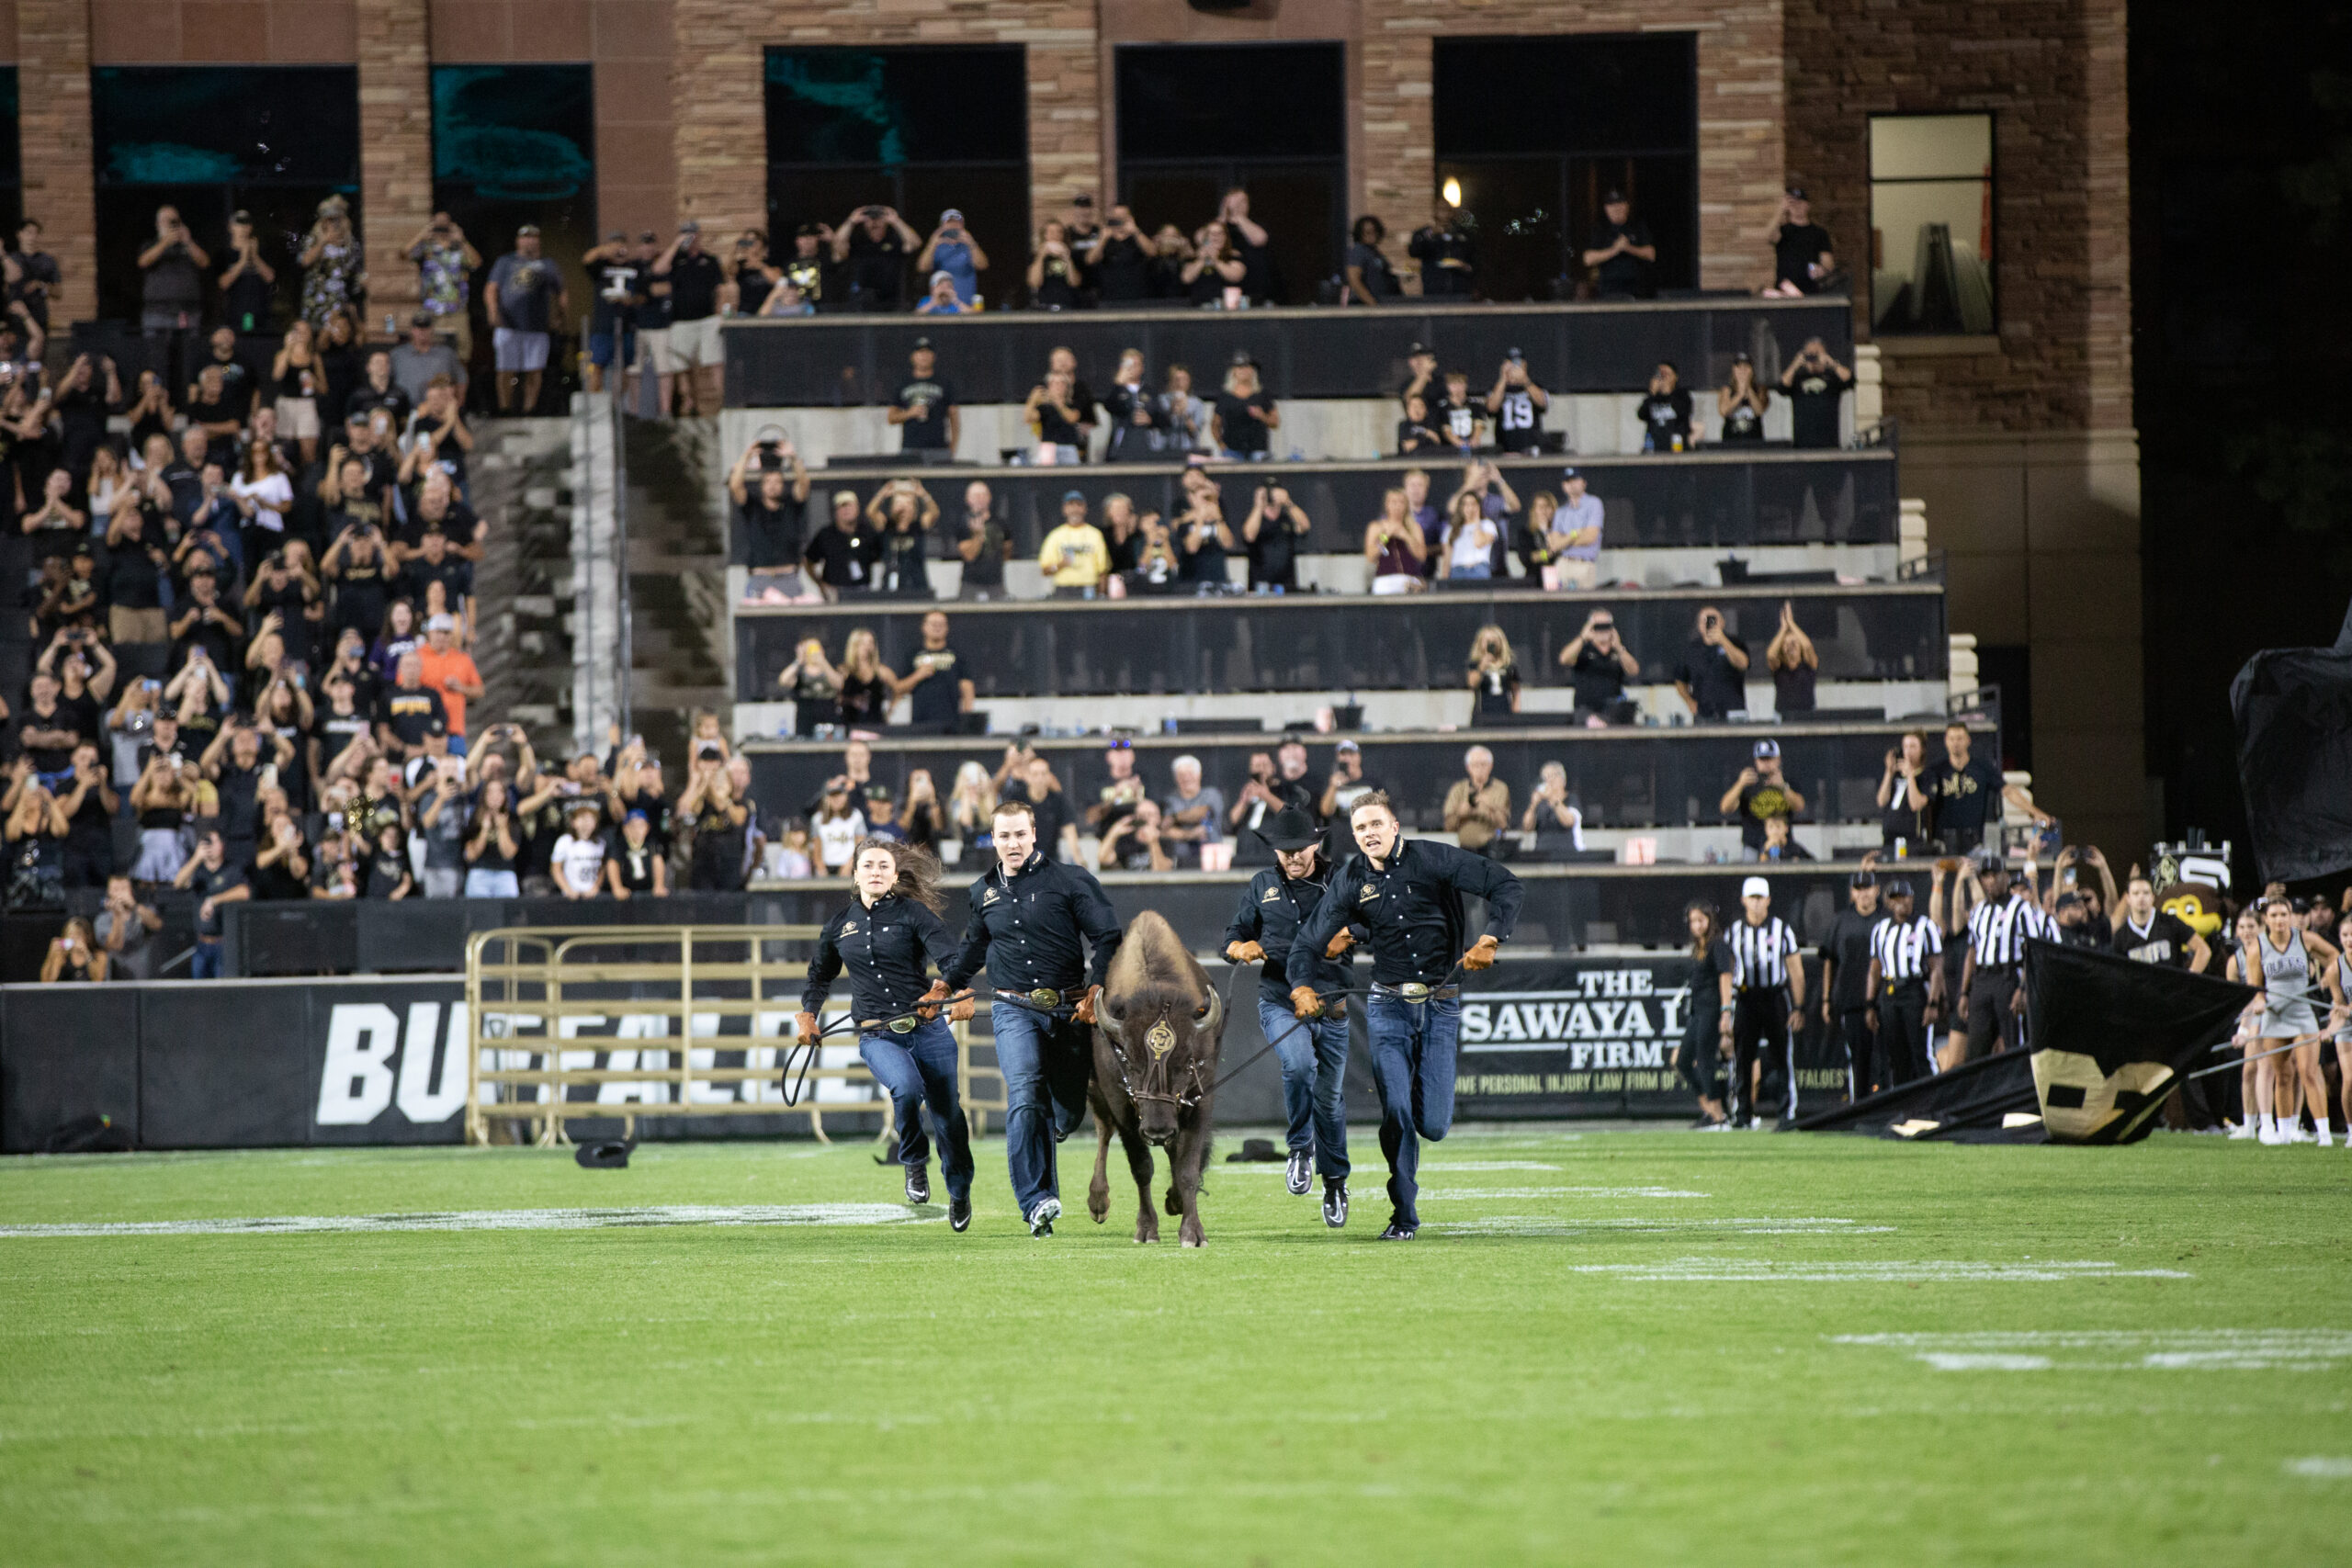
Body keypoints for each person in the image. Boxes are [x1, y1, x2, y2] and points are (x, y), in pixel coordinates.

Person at [1288, 791, 1522, 1240]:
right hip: (1386, 1006)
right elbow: (1308, 942)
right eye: (1360, 828)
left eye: (1376, 824)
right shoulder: (1352, 879)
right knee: (1395, 1109)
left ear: (1395, 827)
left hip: (1440, 1001)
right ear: (1353, 836)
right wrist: (1300, 984)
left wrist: (1492, 937)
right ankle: (1404, 1217)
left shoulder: (1434, 859)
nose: (1368, 834)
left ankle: (1416, 1121)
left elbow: (1507, 884)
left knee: (1432, 1124)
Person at [939, 796, 1124, 1236]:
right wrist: (944, 987)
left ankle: (1055, 1134)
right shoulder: (982, 892)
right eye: (1004, 835)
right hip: (1012, 1007)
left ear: (1035, 834)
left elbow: (1109, 937)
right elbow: (972, 949)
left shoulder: (1071, 880)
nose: (1013, 842)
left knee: (1066, 1112)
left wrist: (1096, 987)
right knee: (1024, 1094)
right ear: (993, 840)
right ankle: (1036, 1201)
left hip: (1068, 1010)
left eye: (1020, 833)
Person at [1224, 807, 1358, 1221]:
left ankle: (1335, 1185)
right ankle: (1300, 1149)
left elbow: (1373, 920)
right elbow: (1232, 936)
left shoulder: (1341, 880)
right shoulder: (1261, 884)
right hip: (1280, 999)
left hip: (1331, 1003)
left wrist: (1351, 933)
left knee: (1330, 1101)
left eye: (1299, 850)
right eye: (1284, 851)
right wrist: (1239, 949)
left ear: (1316, 845)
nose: (1292, 858)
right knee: (1299, 1066)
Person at [2240, 897, 2344, 1145]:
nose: (2279, 920)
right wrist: (2260, 1001)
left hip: (2301, 1012)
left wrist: (2328, 976)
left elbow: (2335, 957)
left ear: (2290, 917)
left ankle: (2324, 1134)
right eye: (2274, 915)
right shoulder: (2258, 948)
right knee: (2282, 1074)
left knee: (2308, 1071)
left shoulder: (2304, 938)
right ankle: (2284, 1132)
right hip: (2275, 1015)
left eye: (2283, 915)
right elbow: (2255, 986)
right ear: (2266, 919)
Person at [1725, 875, 1807, 1127]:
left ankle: (1786, 1114)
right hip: (1746, 997)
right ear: (1743, 900)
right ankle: (1743, 1114)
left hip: (1774, 997)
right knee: (1742, 1057)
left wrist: (1798, 1007)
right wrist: (1727, 1009)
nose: (1757, 903)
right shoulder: (1734, 932)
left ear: (1769, 900)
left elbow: (1796, 971)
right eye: (1753, 898)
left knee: (1782, 1057)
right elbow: (1727, 973)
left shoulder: (1781, 929)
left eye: (1761, 898)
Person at [1952, 852, 2045, 1068]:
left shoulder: (2021, 908)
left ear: (2005, 877)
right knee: (1975, 1051)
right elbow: (1972, 952)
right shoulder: (1979, 911)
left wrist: (2023, 988)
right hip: (1982, 982)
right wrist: (1964, 992)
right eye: (1986, 876)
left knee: (2015, 1047)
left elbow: (2033, 951)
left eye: (1995, 875)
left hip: (2008, 979)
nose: (1990, 881)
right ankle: (1978, 1098)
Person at [1921, 720, 2050, 854]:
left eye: (1960, 738)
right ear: (1945, 741)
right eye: (1952, 739)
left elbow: (2008, 791)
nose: (1955, 743)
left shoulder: (1982, 767)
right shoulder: (1936, 770)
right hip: (1943, 842)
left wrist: (2034, 811)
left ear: (1968, 740)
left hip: (1974, 840)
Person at [1864, 877, 1944, 1089]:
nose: (1900, 902)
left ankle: (1932, 1105)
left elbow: (1936, 968)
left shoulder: (1925, 926)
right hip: (1890, 992)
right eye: (1895, 898)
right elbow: (1874, 970)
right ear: (1889, 902)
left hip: (1914, 990)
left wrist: (1933, 1002)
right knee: (1896, 1055)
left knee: (1921, 1053)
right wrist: (1870, 1004)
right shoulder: (1881, 929)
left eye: (1904, 897)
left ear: (1912, 898)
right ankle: (1904, 1108)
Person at [1817, 871, 1884, 1101]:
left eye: (1867, 888)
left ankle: (1887, 1108)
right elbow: (1830, 961)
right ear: (1852, 893)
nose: (1863, 893)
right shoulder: (1841, 921)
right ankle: (1860, 1109)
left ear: (1877, 890)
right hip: (1851, 999)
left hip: (1884, 999)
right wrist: (1826, 998)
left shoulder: (1886, 919)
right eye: (1858, 888)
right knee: (1858, 1059)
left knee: (1885, 1058)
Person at [485, 226, 567, 415]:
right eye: (525, 237)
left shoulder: (547, 264)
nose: (529, 241)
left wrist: (560, 316)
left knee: (534, 370)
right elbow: (491, 288)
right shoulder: (505, 262)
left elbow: (561, 291)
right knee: (506, 369)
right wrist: (493, 310)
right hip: (508, 325)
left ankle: (529, 409)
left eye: (533, 237)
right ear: (518, 241)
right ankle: (504, 409)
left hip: (537, 327)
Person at [729, 434, 813, 604]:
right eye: (768, 481)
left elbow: (804, 485)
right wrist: (746, 457)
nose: (773, 485)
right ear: (762, 486)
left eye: (777, 481)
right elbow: (735, 486)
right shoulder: (752, 507)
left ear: (783, 485)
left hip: (788, 577)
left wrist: (793, 458)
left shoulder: (791, 505)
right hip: (760, 578)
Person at [1676, 899, 1735, 1128]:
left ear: (1710, 920)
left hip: (1712, 1009)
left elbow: (1725, 977)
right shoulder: (1697, 948)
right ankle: (1709, 1110)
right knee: (1683, 1061)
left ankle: (1719, 1116)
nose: (1697, 925)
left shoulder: (1717, 945)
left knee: (1705, 1061)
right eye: (1693, 921)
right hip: (1698, 1010)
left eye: (1701, 920)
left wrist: (1725, 1012)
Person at [138, 205, 209, 390]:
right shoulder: (150, 244)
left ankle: (186, 405)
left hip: (187, 313)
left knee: (188, 361)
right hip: (157, 314)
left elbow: (204, 263)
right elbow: (143, 261)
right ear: (157, 224)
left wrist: (188, 242)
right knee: (157, 362)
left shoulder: (188, 244)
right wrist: (164, 242)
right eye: (167, 222)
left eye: (175, 221)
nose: (172, 226)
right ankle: (158, 402)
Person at [406, 212, 482, 364]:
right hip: (433, 310)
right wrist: (422, 235)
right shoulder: (427, 247)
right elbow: (404, 254)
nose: (441, 228)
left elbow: (476, 263)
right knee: (433, 352)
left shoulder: (459, 248)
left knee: (462, 354)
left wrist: (462, 240)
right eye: (437, 223)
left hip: (457, 309)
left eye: (444, 224)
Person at [173, 828, 248, 978]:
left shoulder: (231, 869)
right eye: (205, 842)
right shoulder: (198, 872)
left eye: (212, 842)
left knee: (222, 990)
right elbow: (178, 883)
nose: (209, 847)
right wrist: (196, 858)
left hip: (224, 943)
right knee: (199, 990)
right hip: (202, 942)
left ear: (222, 845)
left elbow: (244, 892)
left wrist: (214, 900)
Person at [1720, 739, 1807, 861]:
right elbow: (1725, 808)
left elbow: (1799, 807)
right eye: (1762, 759)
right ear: (1756, 761)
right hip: (1753, 845)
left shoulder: (1787, 782)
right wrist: (1740, 784)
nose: (1766, 763)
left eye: (1769, 759)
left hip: (1782, 845)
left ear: (1778, 760)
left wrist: (1783, 787)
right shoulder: (1748, 783)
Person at [893, 609, 975, 732]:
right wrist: (917, 676)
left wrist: (967, 718)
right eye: (933, 624)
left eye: (941, 624)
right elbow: (898, 688)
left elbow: (967, 686)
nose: (937, 628)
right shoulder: (913, 654)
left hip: (950, 721)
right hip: (920, 720)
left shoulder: (956, 654)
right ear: (924, 627)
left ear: (947, 628)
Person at [582, 233, 640, 396]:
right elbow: (586, 260)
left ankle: (617, 403)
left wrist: (632, 299)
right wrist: (605, 250)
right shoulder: (600, 267)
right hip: (603, 324)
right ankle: (595, 402)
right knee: (597, 364)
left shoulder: (634, 267)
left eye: (621, 244)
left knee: (624, 367)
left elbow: (643, 293)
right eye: (615, 244)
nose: (618, 248)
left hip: (627, 324)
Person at [1558, 608, 1639, 725]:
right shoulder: (1583, 649)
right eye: (1598, 626)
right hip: (1586, 712)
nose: (1602, 631)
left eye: (1605, 626)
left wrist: (1619, 647)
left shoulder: (1618, 651)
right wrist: (1583, 637)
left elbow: (1634, 671)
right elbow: (1564, 659)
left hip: (1612, 711)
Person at [831, 205, 920, 310]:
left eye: (879, 219)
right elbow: (837, 244)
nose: (875, 223)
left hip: (891, 300)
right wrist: (851, 221)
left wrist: (896, 221)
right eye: (871, 219)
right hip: (861, 299)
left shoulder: (894, 242)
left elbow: (915, 243)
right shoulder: (858, 242)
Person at [1673, 604, 1750, 720]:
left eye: (1712, 619)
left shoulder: (1735, 643)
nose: (1708, 624)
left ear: (1722, 622)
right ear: (1699, 626)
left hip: (1733, 712)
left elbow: (1743, 664)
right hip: (1704, 714)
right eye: (1704, 620)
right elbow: (1680, 681)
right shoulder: (1691, 650)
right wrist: (1689, 701)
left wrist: (1723, 640)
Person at [1761, 186, 1837, 298]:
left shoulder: (1819, 233)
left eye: (1800, 203)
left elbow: (1828, 262)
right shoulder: (1783, 230)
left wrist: (1822, 270)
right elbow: (1768, 236)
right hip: (1785, 289)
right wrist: (1780, 210)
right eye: (1793, 203)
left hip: (1811, 290)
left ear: (1807, 205)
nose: (1797, 206)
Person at [803, 491, 877, 600]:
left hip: (863, 589)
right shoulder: (826, 534)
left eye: (850, 506)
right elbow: (809, 560)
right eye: (842, 506)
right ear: (835, 511)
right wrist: (821, 584)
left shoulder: (867, 532)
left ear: (857, 508)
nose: (846, 510)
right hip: (834, 590)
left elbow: (879, 556)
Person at [888, 338, 957, 457]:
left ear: (933, 356)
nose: (924, 356)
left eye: (927, 352)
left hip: (938, 449)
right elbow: (891, 418)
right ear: (913, 357)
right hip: (911, 448)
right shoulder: (903, 383)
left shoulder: (944, 383)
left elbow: (954, 416)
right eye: (920, 352)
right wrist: (910, 413)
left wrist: (953, 446)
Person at [1581, 189, 1657, 298]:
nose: (1616, 208)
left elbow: (1651, 254)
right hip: (1608, 289)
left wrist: (1628, 248)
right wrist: (1615, 250)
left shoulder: (1637, 227)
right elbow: (1588, 259)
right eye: (1612, 205)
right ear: (1606, 208)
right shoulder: (1600, 230)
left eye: (1619, 204)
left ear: (1626, 206)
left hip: (1637, 289)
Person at [1782, 337, 1854, 450]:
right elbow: (1783, 385)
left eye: (1817, 354)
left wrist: (1831, 363)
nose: (1814, 358)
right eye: (1810, 354)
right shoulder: (1798, 379)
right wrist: (1796, 364)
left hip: (1829, 443)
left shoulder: (1832, 378)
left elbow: (1850, 380)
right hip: (1802, 444)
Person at [1442, 745, 1512, 858]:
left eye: (1483, 764)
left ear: (1491, 766)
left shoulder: (1500, 788)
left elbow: (1504, 825)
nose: (1479, 768)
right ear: (1468, 767)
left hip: (1492, 851)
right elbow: (1448, 827)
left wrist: (1489, 807)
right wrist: (1460, 814)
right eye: (1475, 765)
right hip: (1465, 850)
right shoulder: (1459, 789)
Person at [1241, 481, 1310, 593]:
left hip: (1287, 586)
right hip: (1260, 587)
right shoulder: (1255, 518)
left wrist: (1288, 502)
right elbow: (1249, 536)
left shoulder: (1287, 518)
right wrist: (1259, 506)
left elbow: (1305, 526)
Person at [1038, 491, 1110, 599]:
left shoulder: (1095, 535)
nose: (1075, 509)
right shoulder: (1055, 536)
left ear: (1085, 509)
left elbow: (1103, 570)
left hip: (1088, 588)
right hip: (1063, 590)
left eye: (1079, 505)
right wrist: (1060, 565)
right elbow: (1045, 571)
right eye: (1070, 505)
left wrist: (1102, 594)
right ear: (1064, 509)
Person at [951, 480, 1012, 601]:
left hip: (996, 583)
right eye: (975, 495)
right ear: (968, 499)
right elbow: (969, 556)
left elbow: (1007, 549)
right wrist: (978, 535)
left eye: (983, 495)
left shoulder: (1001, 523)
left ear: (990, 498)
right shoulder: (962, 523)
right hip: (971, 584)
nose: (980, 498)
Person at [915, 209, 988, 308]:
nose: (954, 226)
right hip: (942, 306)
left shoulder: (969, 246)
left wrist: (971, 242)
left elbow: (982, 266)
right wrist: (933, 242)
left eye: (957, 223)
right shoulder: (937, 247)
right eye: (950, 223)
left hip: (965, 305)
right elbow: (922, 268)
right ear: (942, 226)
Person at [1211, 355, 1279, 461]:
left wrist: (1262, 416)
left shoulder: (1263, 394)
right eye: (1240, 368)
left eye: (1247, 367)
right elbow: (1215, 424)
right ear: (1233, 371)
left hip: (1258, 449)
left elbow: (1275, 423)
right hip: (1232, 449)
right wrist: (1221, 445)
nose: (1244, 371)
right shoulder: (1225, 395)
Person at [1363, 487, 1429, 594]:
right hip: (1385, 579)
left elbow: (1422, 556)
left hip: (1409, 579)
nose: (1397, 506)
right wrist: (1386, 536)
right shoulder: (1376, 526)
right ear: (1387, 504)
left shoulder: (1414, 527)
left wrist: (1406, 536)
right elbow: (1371, 556)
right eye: (1393, 502)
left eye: (1401, 502)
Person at [1547, 468, 1604, 590]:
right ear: (1563, 485)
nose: (1571, 484)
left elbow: (1590, 537)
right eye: (1567, 481)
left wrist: (1564, 541)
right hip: (1563, 563)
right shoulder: (1561, 511)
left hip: (1584, 563)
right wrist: (1575, 534)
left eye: (1575, 480)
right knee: (1557, 603)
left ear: (1584, 483)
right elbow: (1555, 545)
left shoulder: (1594, 503)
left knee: (1583, 605)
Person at [1485, 349, 1549, 454]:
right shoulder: (1497, 388)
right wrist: (1503, 379)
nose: (1515, 367)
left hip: (1531, 448)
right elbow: (1491, 408)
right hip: (1505, 448)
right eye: (1511, 363)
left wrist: (1525, 380)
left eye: (1518, 363)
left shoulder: (1535, 386)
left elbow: (1543, 403)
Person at [1877, 730, 1932, 851]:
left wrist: (1910, 776)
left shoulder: (1927, 776)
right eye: (1905, 746)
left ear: (1922, 749)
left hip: (1911, 838)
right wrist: (1889, 772)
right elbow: (1881, 801)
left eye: (1913, 746)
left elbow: (1916, 804)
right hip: (1889, 837)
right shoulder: (1895, 776)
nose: (1908, 751)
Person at [1519, 762, 1585, 858]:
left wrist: (1553, 799)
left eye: (1552, 777)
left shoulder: (1571, 799)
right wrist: (1533, 805)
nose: (1548, 782)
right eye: (1545, 778)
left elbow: (1569, 821)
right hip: (1542, 854)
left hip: (1569, 854)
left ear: (1562, 780)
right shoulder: (1541, 804)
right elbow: (1527, 827)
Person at [1765, 600, 1818, 715]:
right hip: (1783, 715)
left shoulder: (1808, 665)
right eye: (1787, 644)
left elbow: (1808, 646)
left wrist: (1791, 623)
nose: (1791, 646)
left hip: (1807, 714)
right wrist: (1783, 629)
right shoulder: (1779, 668)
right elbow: (1770, 655)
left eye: (1794, 642)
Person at [1408, 208, 1476, 297]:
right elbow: (1414, 252)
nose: (1445, 216)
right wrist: (1429, 236)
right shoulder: (1424, 234)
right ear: (1435, 214)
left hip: (1460, 288)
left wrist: (1465, 266)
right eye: (1442, 211)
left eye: (1448, 212)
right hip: (1433, 289)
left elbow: (1474, 258)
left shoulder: (1462, 234)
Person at [550, 800, 607, 899]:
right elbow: (556, 868)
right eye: (582, 818)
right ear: (573, 822)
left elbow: (603, 868)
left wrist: (596, 886)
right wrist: (567, 889)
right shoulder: (565, 841)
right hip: (571, 896)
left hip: (593, 896)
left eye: (590, 819)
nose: (586, 822)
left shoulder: (600, 843)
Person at [1635, 361, 1693, 452]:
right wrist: (1652, 394)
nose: (1663, 379)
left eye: (1666, 375)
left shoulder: (1682, 395)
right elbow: (1641, 415)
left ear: (1675, 377)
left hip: (1677, 447)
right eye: (1660, 375)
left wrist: (1668, 394)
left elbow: (1683, 413)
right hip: (1655, 447)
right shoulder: (1653, 398)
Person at [1024, 220, 1083, 310]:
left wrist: (1067, 259)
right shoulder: (1035, 257)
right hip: (1045, 305)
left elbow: (1075, 282)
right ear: (1045, 235)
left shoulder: (1073, 255)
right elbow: (1034, 283)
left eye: (1059, 232)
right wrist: (1041, 256)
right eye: (1051, 232)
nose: (1055, 235)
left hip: (1068, 305)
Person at [1317, 739, 1377, 825]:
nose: (1348, 759)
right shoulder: (1332, 783)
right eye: (1343, 754)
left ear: (1359, 757)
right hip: (1340, 834)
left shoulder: (1370, 782)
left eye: (1351, 754)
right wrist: (1333, 786)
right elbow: (1326, 811)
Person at [1464, 627, 1520, 720]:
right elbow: (1472, 684)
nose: (1491, 644)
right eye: (1487, 641)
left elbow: (1516, 690)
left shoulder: (1509, 666)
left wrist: (1516, 712)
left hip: (1504, 710)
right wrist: (1482, 667)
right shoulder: (1475, 664)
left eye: (1494, 641)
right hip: (1483, 710)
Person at [1344, 216, 1401, 306]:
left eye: (1375, 231)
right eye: (1367, 232)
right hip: (1366, 306)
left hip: (1385, 301)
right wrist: (1372, 303)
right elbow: (1354, 279)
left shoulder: (1374, 252)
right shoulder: (1359, 251)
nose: (1372, 235)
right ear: (1360, 234)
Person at [1719, 352, 1770, 443]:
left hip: (1754, 440)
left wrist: (1748, 389)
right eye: (1739, 367)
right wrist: (1739, 395)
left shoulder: (1760, 389)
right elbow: (1724, 411)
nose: (1743, 371)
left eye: (1746, 367)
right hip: (1731, 441)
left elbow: (1760, 411)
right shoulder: (1727, 390)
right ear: (1734, 370)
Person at [40, 916, 107, 983]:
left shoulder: (99, 956)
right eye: (70, 934)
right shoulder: (61, 957)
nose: (73, 938)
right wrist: (51, 955)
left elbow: (98, 980)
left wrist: (86, 953)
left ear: (87, 936)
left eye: (78, 934)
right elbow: (47, 982)